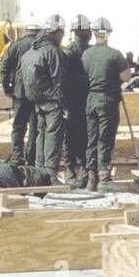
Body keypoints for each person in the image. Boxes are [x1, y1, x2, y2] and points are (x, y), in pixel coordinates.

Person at [80, 17, 131, 190]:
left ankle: (90, 177)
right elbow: (126, 77)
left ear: (93, 33)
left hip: (90, 100)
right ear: (108, 33)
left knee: (91, 138)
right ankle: (104, 177)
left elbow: (84, 76)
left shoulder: (86, 54)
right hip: (107, 101)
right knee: (105, 139)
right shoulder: (115, 54)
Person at [18, 14, 70, 179]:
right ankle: (50, 173)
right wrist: (65, 105)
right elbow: (59, 81)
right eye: (62, 33)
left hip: (36, 100)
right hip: (51, 101)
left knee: (41, 133)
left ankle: (39, 171)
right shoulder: (53, 52)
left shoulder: (33, 50)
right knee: (53, 134)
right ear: (56, 32)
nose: (62, 37)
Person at [0, 23, 39, 166]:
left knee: (19, 126)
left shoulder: (15, 46)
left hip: (19, 93)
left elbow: (3, 67)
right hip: (37, 93)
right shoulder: (42, 46)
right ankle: (32, 157)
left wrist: (7, 88)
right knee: (35, 127)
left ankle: (17, 156)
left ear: (25, 31)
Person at [62, 14, 92, 188]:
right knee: (85, 137)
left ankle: (71, 170)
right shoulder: (89, 52)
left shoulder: (66, 52)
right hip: (85, 101)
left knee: (70, 137)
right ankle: (83, 170)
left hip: (71, 102)